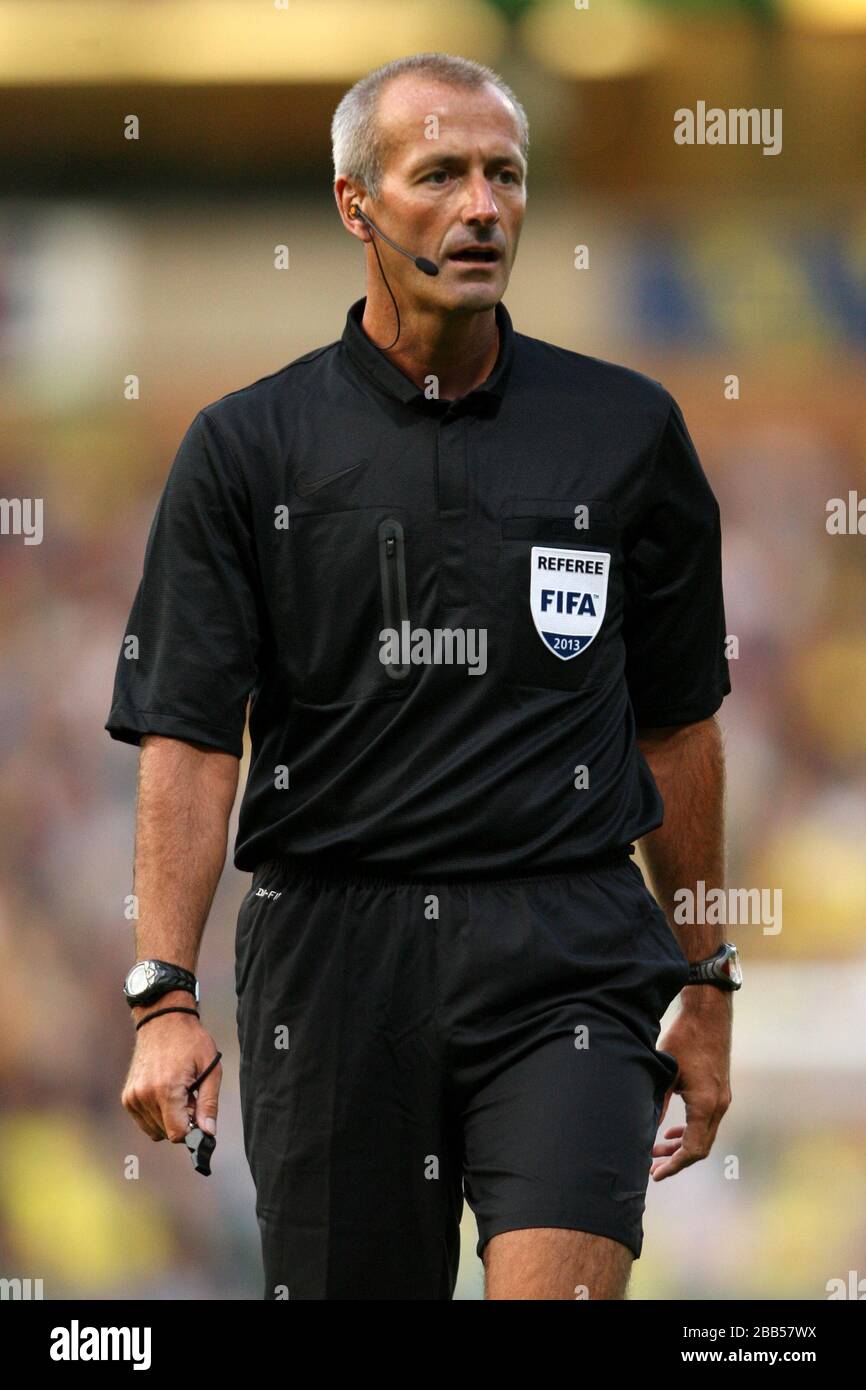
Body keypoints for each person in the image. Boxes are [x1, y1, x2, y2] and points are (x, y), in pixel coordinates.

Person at [108, 52, 737, 1301]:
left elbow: (677, 728)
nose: (481, 207)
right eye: (439, 174)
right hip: (332, 960)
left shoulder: (625, 430)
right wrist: (163, 995)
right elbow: (189, 734)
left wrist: (706, 978)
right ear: (355, 204)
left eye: (503, 175)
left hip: (566, 945)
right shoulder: (247, 448)